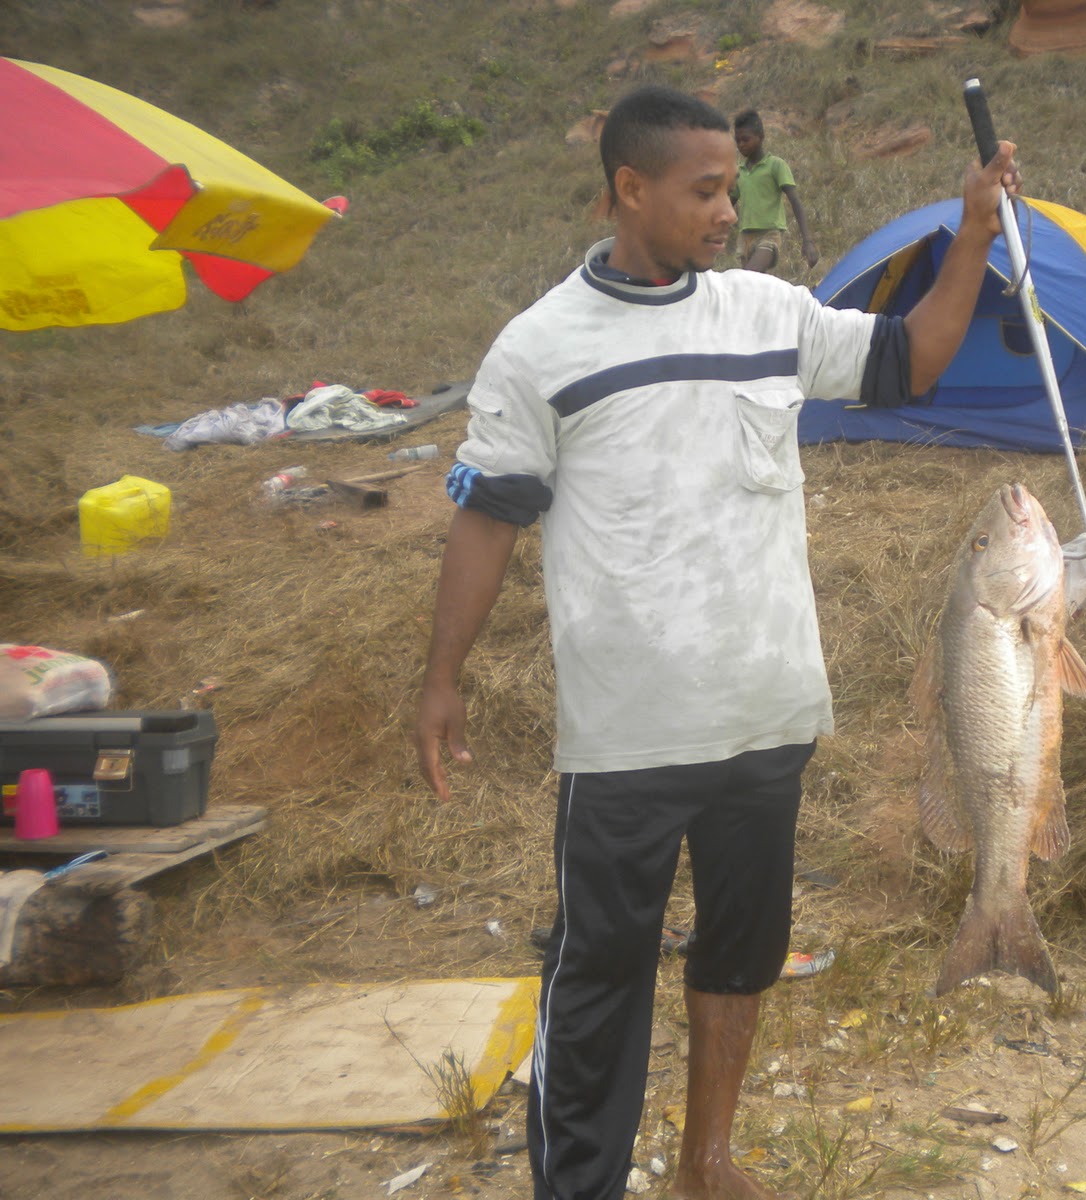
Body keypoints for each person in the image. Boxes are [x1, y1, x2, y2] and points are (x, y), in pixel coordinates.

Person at [414, 84, 1016, 1200]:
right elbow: (488, 516)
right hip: (629, 737)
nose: (727, 211)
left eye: (731, 188)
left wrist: (973, 232)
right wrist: (440, 680)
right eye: (702, 191)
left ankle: (708, 1160)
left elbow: (913, 358)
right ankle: (579, 1185)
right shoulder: (541, 346)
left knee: (739, 955)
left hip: (767, 712)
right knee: (600, 975)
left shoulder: (766, 313)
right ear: (628, 190)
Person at [730, 109, 818, 274]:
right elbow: (728, 204)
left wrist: (808, 241)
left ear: (761, 137)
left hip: (769, 235)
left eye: (746, 139)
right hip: (745, 237)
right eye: (738, 140)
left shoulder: (776, 165)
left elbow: (795, 202)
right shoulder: (738, 172)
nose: (741, 144)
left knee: (750, 276)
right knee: (752, 287)